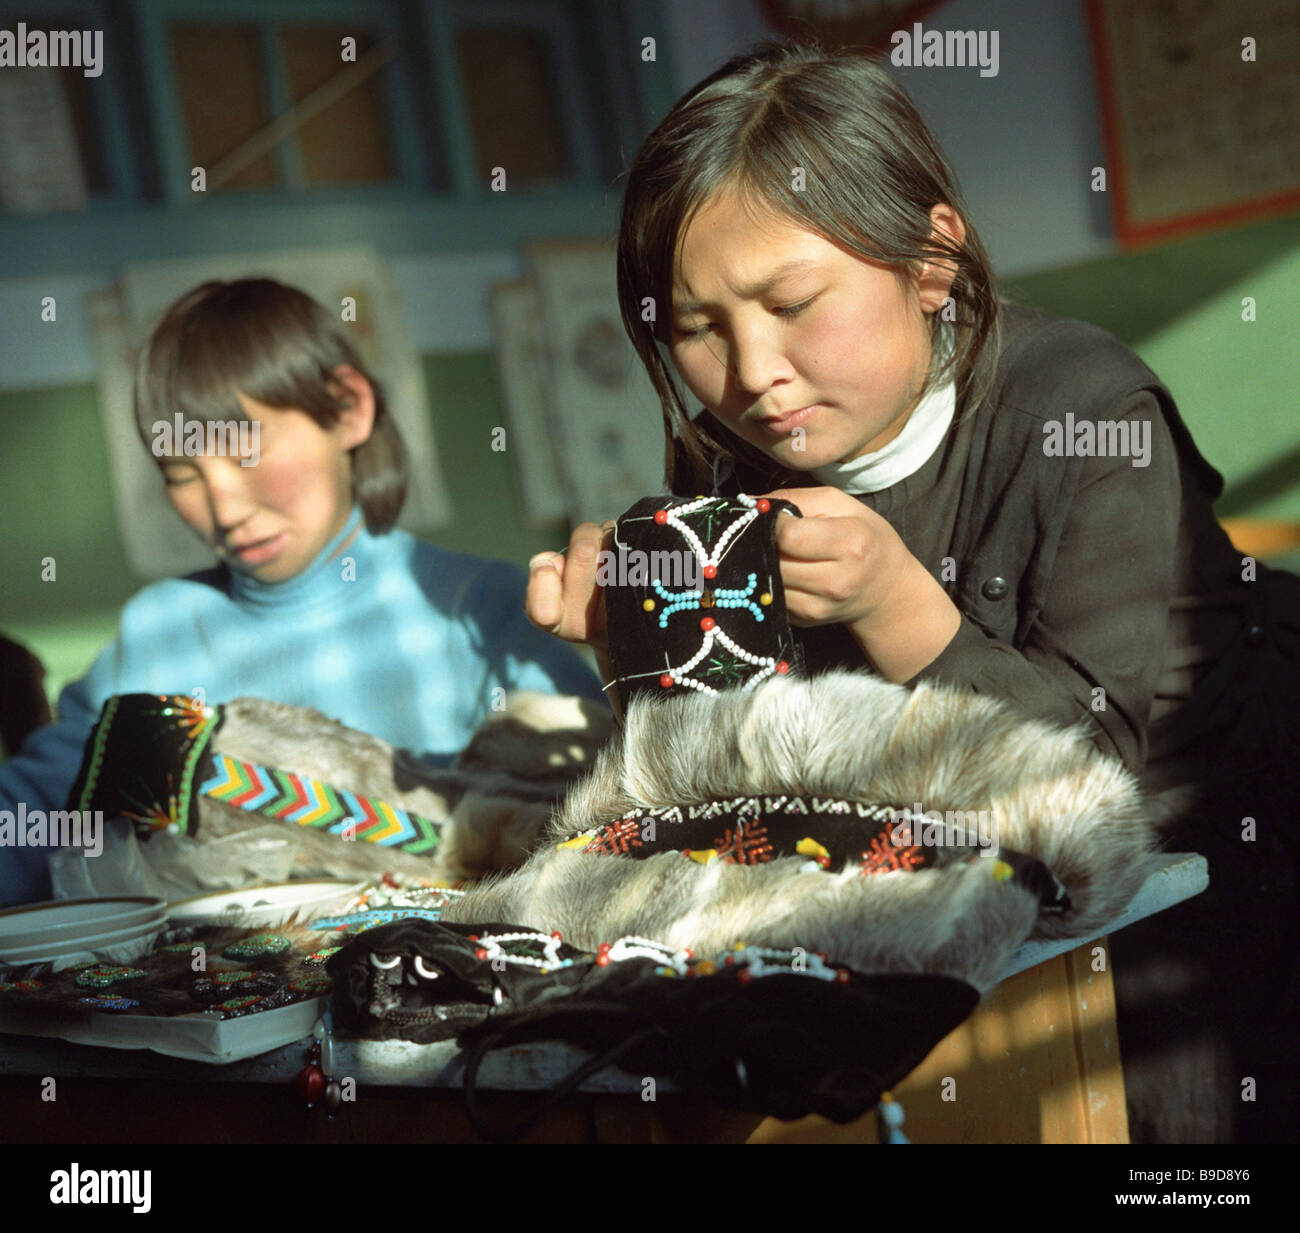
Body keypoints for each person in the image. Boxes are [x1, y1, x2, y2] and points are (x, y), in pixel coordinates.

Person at [525, 40, 1300, 1143]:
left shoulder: (1087, 415)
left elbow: (1096, 779)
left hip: (1213, 876)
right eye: (696, 326)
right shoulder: (730, 463)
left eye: (791, 302)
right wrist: (625, 646)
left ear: (931, 261)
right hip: (961, 897)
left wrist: (899, 606)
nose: (751, 374)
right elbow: (742, 763)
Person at [0, 278, 607, 906]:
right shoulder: (155, 635)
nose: (223, 508)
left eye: (245, 453)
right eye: (183, 474)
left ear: (348, 408)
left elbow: (597, 823)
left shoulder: (480, 613)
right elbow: (33, 819)